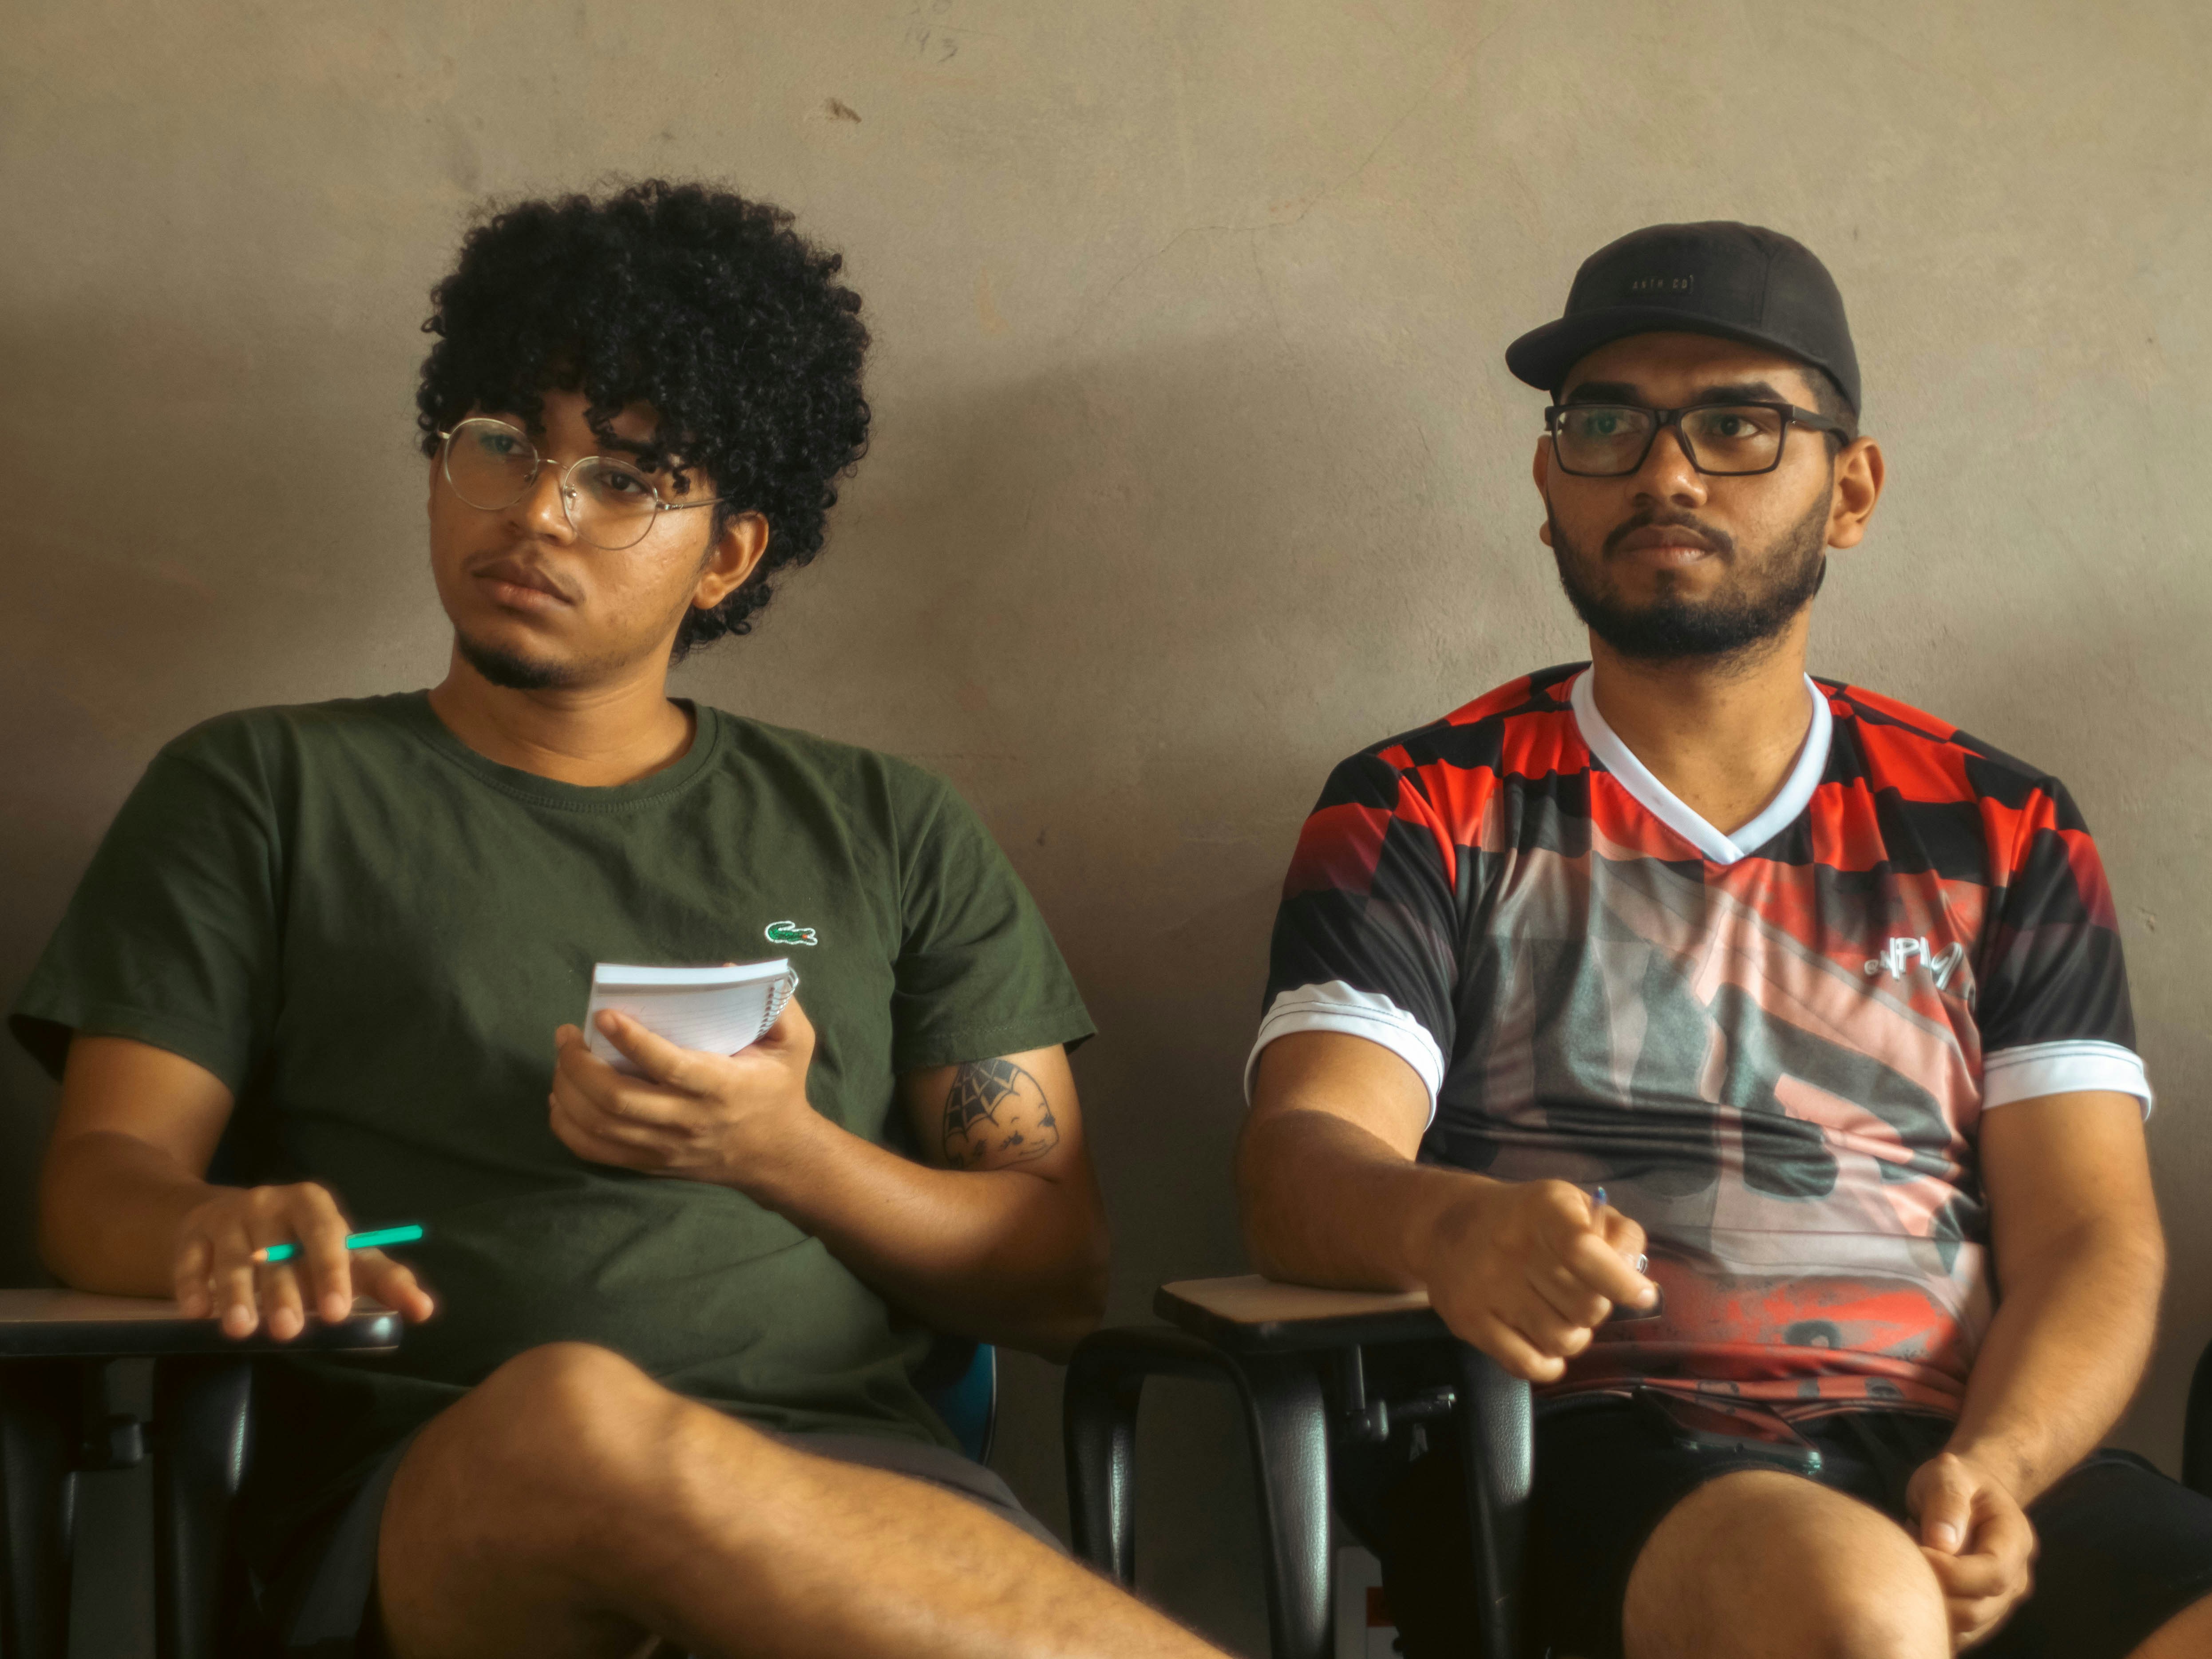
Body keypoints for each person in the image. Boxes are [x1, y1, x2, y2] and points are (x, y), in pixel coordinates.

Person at [17, 181, 1223, 1659]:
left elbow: (1055, 1272)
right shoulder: (263, 788)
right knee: (579, 1416)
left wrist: (787, 1155)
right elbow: (97, 1179)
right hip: (441, 1490)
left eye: (627, 479)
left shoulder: (889, 824)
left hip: (855, 1490)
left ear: (728, 555)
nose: (538, 509)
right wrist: (210, 1225)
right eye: (503, 444)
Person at [1235, 221, 2212, 1657]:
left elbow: (2090, 1234)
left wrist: (1998, 1469)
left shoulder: (2001, 823)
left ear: (1853, 488)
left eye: (1740, 425)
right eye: (1608, 423)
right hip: (1581, 1452)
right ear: (1549, 483)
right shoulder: (1424, 802)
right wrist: (1452, 1229)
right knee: (1852, 1604)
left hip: (1948, 1449)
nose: (1666, 471)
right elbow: (1300, 1159)